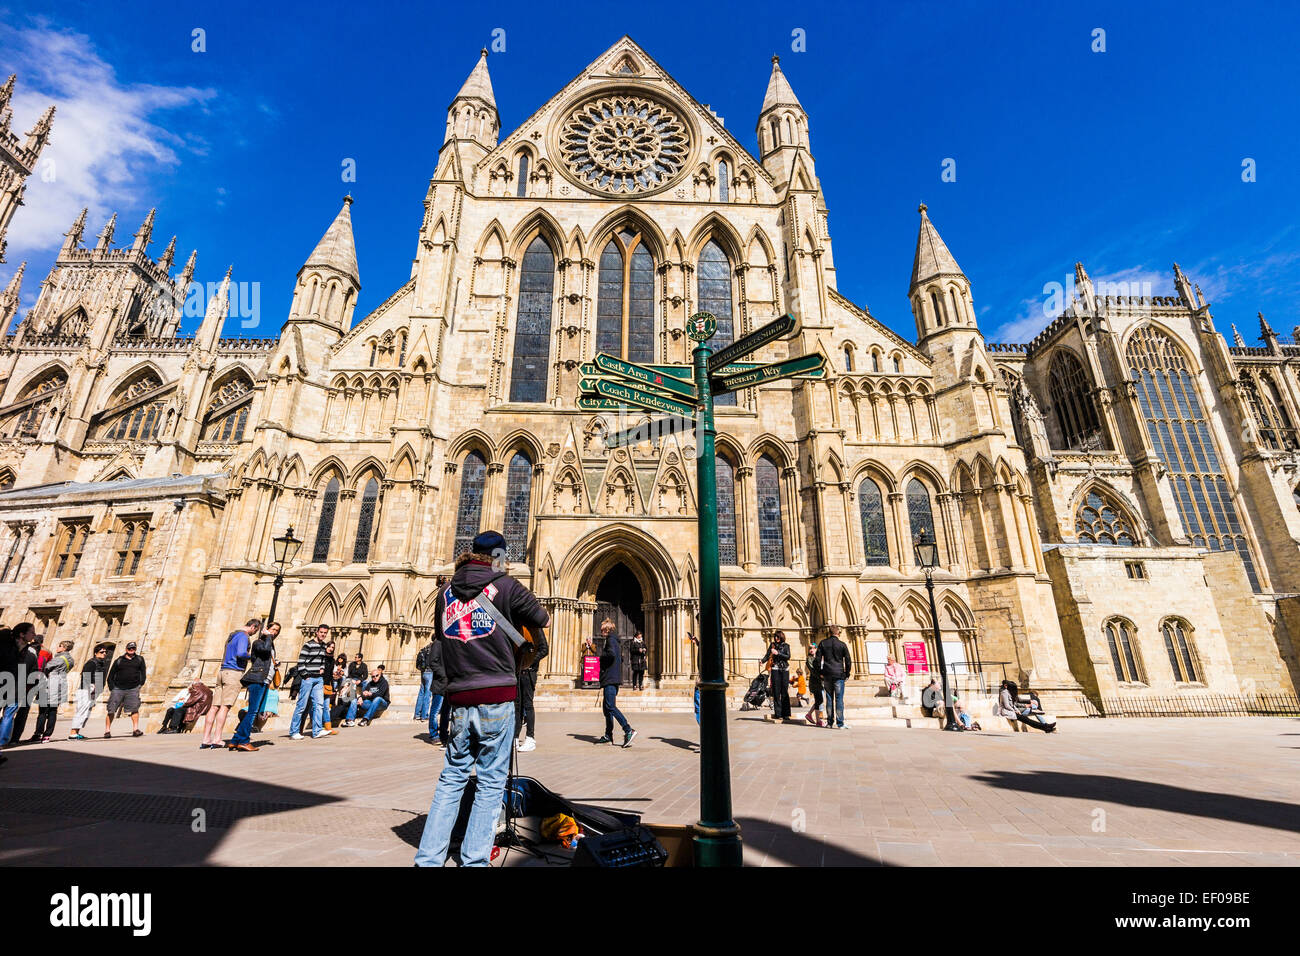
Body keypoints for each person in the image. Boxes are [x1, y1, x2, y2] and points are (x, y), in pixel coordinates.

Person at [415, 530, 550, 867]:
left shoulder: (444, 593)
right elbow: (542, 618)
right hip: (497, 696)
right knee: (490, 782)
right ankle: (474, 859)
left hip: (460, 699)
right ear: (500, 557)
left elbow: (440, 639)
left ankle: (429, 859)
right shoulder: (506, 586)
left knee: (451, 779)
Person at [203, 618, 261, 750]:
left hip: (222, 672)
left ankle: (206, 739)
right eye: (255, 630)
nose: (254, 633)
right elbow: (241, 653)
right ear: (253, 627)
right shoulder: (243, 636)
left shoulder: (232, 635)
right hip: (233, 673)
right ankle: (217, 739)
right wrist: (253, 656)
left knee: (214, 707)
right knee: (225, 707)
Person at [228, 621, 279, 751]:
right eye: (272, 629)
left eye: (277, 631)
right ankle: (244, 741)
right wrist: (267, 636)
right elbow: (265, 650)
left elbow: (266, 658)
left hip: (265, 680)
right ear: (266, 630)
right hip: (257, 679)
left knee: (254, 711)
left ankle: (235, 740)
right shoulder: (259, 643)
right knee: (253, 711)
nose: (275, 632)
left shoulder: (270, 644)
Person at [587, 618, 635, 747]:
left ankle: (628, 729)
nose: (601, 632)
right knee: (607, 709)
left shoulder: (611, 640)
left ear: (607, 630)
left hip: (610, 679)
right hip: (612, 678)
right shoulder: (615, 641)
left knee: (610, 707)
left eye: (602, 629)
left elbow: (611, 655)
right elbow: (619, 658)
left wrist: (600, 659)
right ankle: (608, 735)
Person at [288, 625, 332, 740]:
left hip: (319, 679)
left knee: (319, 705)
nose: (323, 634)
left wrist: (322, 668)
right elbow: (301, 662)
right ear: (317, 632)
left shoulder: (323, 646)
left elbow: (323, 660)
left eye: (325, 633)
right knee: (301, 706)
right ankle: (294, 732)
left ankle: (317, 731)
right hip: (308, 679)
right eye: (321, 632)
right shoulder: (308, 645)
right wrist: (305, 675)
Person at [515, 622, 548, 752]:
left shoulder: (535, 628)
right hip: (518, 671)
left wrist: (530, 661)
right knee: (517, 705)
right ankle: (515, 737)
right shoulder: (517, 626)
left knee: (528, 704)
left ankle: (530, 737)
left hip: (529, 671)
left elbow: (544, 649)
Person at [33, 640, 75, 741]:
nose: (58, 647)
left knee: (43, 711)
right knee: (53, 711)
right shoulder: (71, 660)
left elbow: (46, 668)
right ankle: (47, 735)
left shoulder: (59, 658)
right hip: (61, 685)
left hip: (50, 684)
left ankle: (38, 734)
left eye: (59, 646)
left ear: (64, 648)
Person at [105, 641, 147, 738]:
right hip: (118, 688)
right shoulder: (119, 660)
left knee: (134, 709)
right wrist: (112, 687)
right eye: (129, 648)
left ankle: (135, 729)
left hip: (133, 688)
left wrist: (140, 684)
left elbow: (143, 672)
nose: (131, 650)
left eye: (133, 648)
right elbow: (110, 675)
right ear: (126, 649)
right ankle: (107, 730)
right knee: (111, 710)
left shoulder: (140, 659)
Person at [68, 643, 110, 740]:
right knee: (81, 711)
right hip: (86, 690)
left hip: (93, 691)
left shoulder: (101, 663)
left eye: (105, 652)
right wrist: (92, 686)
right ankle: (72, 733)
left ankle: (76, 732)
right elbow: (85, 675)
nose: (104, 654)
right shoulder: (92, 662)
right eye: (102, 652)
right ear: (95, 653)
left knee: (86, 712)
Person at [814, 625, 851, 729]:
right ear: (838, 633)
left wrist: (820, 672)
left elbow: (817, 660)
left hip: (827, 674)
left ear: (829, 633)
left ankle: (830, 722)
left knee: (829, 698)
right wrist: (847, 673)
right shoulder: (842, 644)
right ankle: (840, 723)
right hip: (839, 674)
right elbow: (848, 660)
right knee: (839, 699)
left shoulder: (823, 643)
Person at [5, 623, 37, 743]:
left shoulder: (30, 654)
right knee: (9, 716)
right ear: (22, 634)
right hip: (15, 689)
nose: (33, 635)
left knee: (9, 715)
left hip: (16, 689)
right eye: (32, 632)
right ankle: (3, 742)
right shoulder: (30, 653)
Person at [760, 630, 792, 720]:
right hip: (775, 669)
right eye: (775, 637)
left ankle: (786, 714)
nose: (776, 638)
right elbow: (767, 655)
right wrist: (762, 661)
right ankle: (778, 714)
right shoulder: (772, 645)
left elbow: (788, 656)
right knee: (776, 691)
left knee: (784, 691)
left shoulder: (786, 646)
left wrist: (778, 653)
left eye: (778, 637)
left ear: (781, 637)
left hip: (785, 669)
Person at [414, 639, 436, 722]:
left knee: (421, 693)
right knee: (428, 693)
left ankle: (417, 714)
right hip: (430, 672)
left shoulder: (425, 648)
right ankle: (424, 715)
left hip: (423, 672)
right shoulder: (433, 648)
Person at [804, 642, 825, 727]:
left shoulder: (819, 657)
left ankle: (810, 714)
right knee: (819, 700)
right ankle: (818, 720)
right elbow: (813, 670)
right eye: (810, 648)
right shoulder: (809, 659)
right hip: (815, 682)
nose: (811, 650)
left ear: (817, 649)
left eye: (813, 648)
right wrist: (822, 676)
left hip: (820, 682)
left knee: (819, 700)